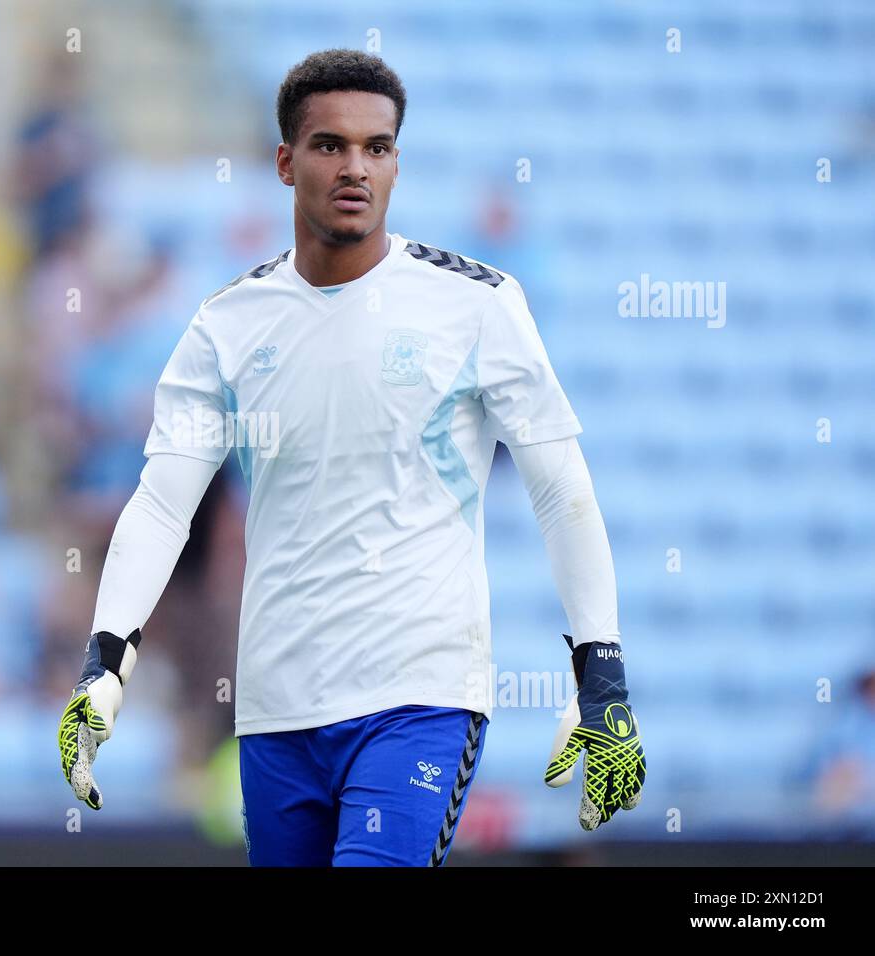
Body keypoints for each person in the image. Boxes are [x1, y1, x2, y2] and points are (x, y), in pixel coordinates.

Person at [57, 49, 645, 866]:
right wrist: (104, 662)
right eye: (330, 145)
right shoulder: (227, 324)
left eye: (378, 147)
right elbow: (162, 504)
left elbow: (561, 489)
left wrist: (601, 672)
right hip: (275, 708)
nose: (355, 167)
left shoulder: (476, 304)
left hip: (420, 699)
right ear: (284, 162)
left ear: (398, 162)